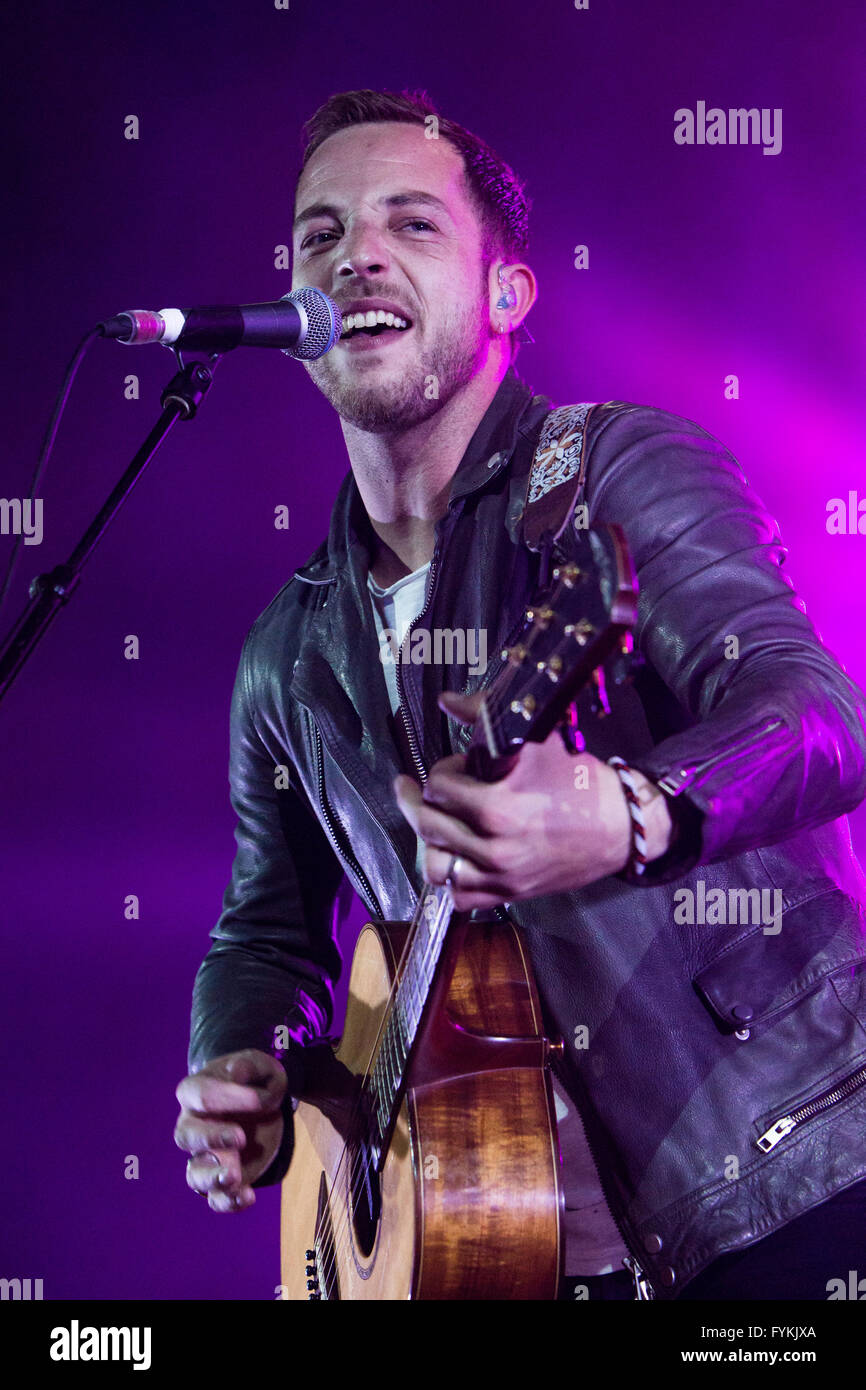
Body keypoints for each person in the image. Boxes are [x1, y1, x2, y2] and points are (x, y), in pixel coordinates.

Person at [174, 88, 866, 1300]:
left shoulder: (615, 472)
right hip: (501, 1256)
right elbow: (262, 931)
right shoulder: (287, 650)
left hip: (790, 1191)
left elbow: (814, 713)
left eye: (411, 224)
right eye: (321, 234)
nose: (357, 255)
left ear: (506, 295)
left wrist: (628, 810)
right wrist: (244, 1069)